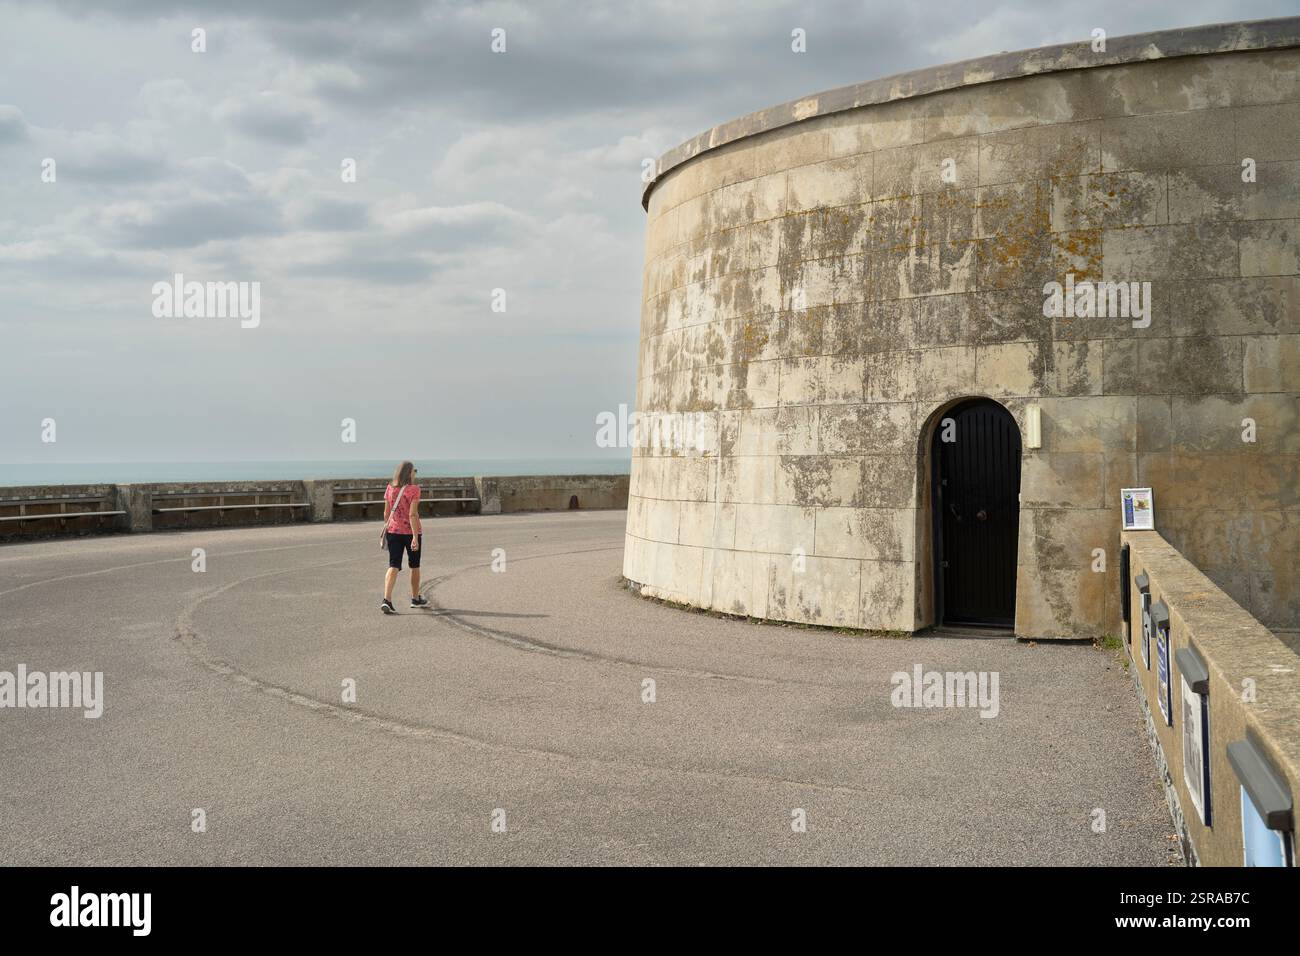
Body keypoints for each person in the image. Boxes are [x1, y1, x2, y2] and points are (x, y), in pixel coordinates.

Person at [380, 460, 428, 613]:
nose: (415, 473)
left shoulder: (390, 488)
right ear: (409, 473)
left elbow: (386, 513)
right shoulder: (414, 489)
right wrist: (414, 536)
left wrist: (391, 525)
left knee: (393, 565)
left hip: (393, 532)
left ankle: (387, 599)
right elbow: (412, 514)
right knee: (414, 565)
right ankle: (415, 598)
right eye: (415, 470)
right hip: (410, 532)